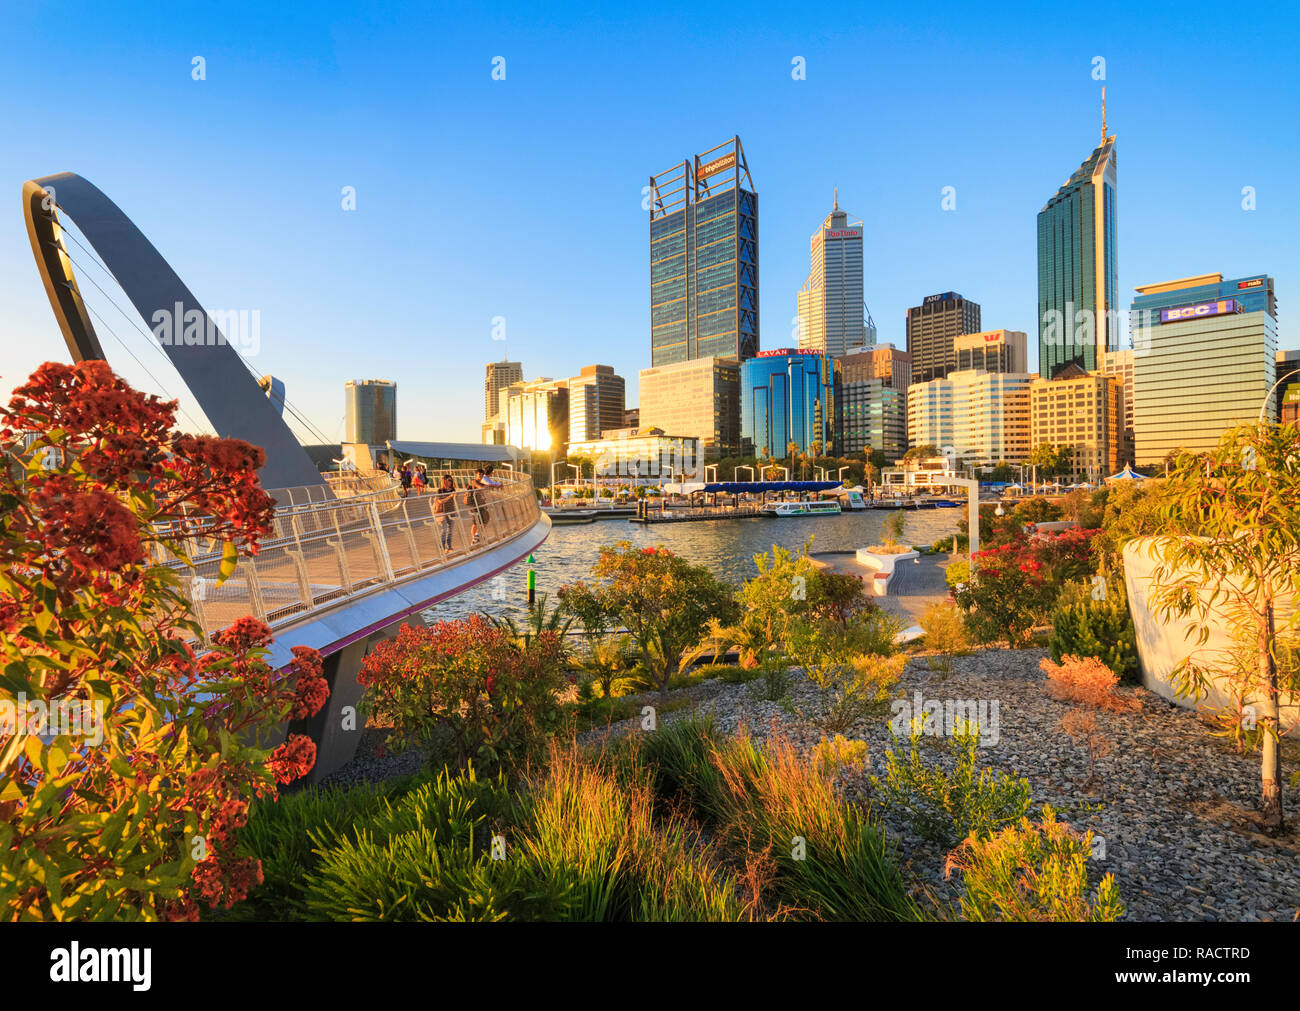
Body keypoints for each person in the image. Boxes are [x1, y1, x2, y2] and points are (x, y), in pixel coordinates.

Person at [466, 467, 492, 546]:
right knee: (476, 522)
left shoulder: (480, 482)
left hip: (480, 504)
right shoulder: (474, 481)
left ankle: (476, 537)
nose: (481, 476)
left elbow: (485, 489)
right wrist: (487, 486)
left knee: (485, 519)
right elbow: (482, 488)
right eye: (479, 474)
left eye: (482, 474)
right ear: (476, 475)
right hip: (474, 505)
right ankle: (474, 539)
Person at [432, 474, 456, 551]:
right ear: (444, 481)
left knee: (450, 531)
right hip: (442, 512)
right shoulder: (440, 490)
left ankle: (449, 546)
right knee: (444, 530)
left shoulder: (453, 489)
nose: (450, 482)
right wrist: (449, 497)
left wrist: (455, 496)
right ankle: (441, 547)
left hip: (451, 511)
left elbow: (454, 501)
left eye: (451, 480)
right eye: (449, 480)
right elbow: (439, 501)